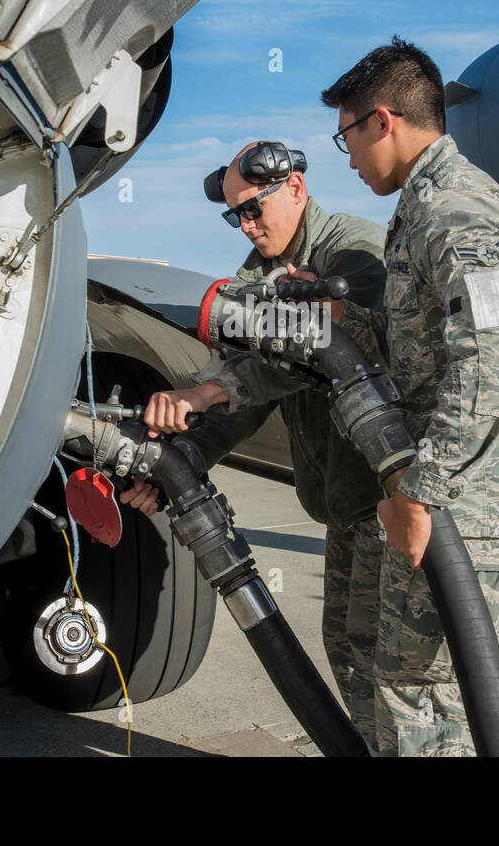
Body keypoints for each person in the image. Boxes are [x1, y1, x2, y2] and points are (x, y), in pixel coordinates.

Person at [307, 35, 499, 756]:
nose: (352, 160)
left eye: (347, 138)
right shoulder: (431, 205)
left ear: (383, 120)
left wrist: (420, 491)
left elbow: (493, 356)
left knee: (417, 686)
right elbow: (431, 344)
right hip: (487, 499)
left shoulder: (452, 208)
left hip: (469, 504)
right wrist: (345, 321)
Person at [119, 141, 390, 746]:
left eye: (254, 207)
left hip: (391, 501)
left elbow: (314, 358)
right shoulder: (259, 274)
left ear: (295, 187)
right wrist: (177, 461)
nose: (246, 224)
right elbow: (249, 388)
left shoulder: (356, 252)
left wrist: (207, 391)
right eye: (235, 214)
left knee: (397, 671)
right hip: (345, 506)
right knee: (348, 650)